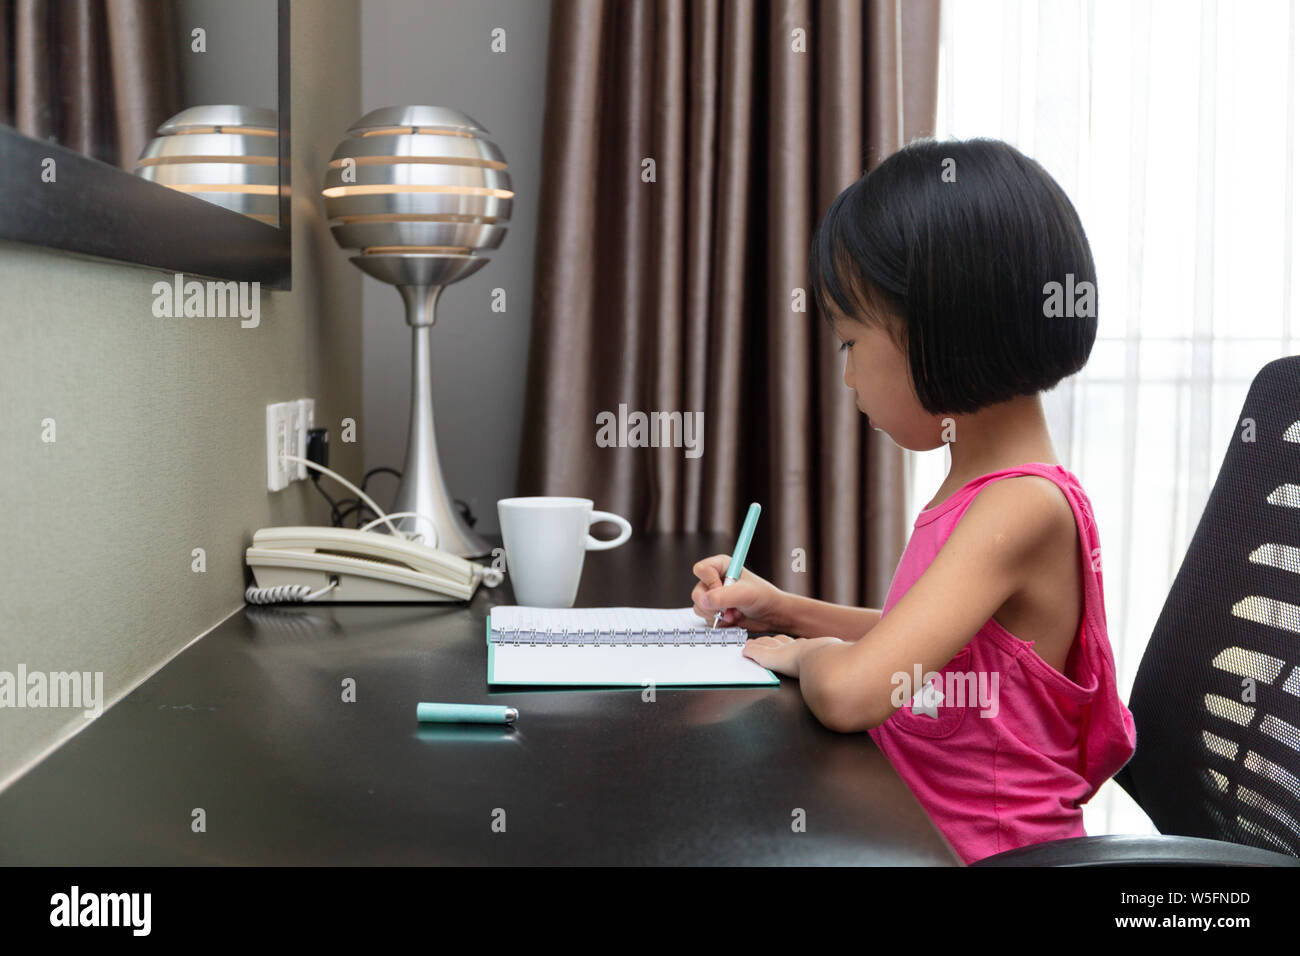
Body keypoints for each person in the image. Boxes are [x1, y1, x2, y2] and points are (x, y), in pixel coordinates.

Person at [691, 138, 1136, 864]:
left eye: (850, 343)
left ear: (938, 329)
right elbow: (940, 650)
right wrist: (787, 610)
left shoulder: (1019, 506)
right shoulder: (987, 482)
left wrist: (811, 656)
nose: (847, 378)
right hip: (911, 829)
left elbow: (855, 695)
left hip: (979, 854)